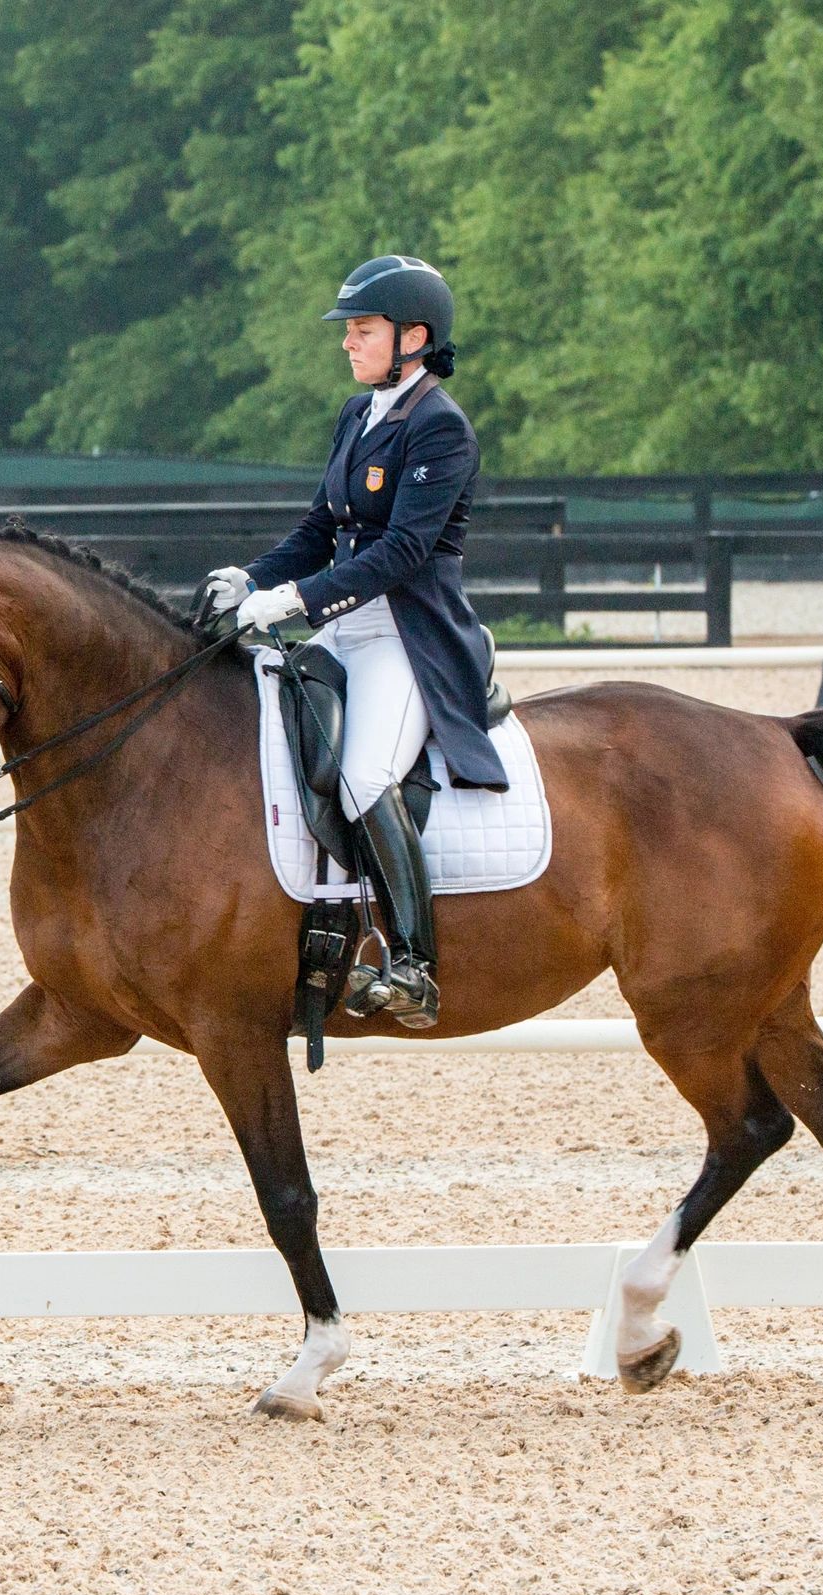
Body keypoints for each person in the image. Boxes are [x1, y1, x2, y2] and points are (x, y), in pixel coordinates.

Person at [202, 254, 507, 1028]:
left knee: (365, 774)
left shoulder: (441, 427)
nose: (349, 343)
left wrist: (292, 600)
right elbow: (318, 530)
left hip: (410, 638)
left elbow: (402, 551)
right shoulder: (357, 414)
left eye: (363, 331)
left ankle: (413, 962)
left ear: (415, 337)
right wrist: (250, 578)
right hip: (344, 628)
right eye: (351, 332)